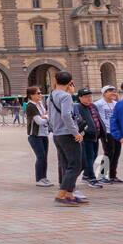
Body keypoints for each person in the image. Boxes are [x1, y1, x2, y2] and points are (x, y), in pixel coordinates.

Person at [46, 71, 87, 205]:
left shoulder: (50, 96)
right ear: (70, 82)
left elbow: (50, 116)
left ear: (54, 81)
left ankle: (69, 194)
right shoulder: (66, 96)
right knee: (76, 164)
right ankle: (61, 194)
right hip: (67, 134)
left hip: (57, 134)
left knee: (66, 164)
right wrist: (75, 133)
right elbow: (66, 115)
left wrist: (54, 128)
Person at [74, 87, 105, 188]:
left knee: (93, 156)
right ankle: (91, 177)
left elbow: (97, 119)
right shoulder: (78, 107)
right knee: (88, 157)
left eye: (90, 96)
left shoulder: (93, 106)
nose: (89, 99)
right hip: (86, 137)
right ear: (80, 98)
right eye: (86, 97)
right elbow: (79, 122)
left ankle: (86, 175)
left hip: (96, 136)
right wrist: (86, 130)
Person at [24, 86, 52, 187]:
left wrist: (45, 116)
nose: (40, 95)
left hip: (44, 133)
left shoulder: (40, 104)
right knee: (41, 157)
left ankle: (44, 177)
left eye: (40, 93)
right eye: (38, 93)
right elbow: (39, 121)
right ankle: (39, 178)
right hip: (35, 135)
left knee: (44, 158)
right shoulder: (30, 106)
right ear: (31, 95)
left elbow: (45, 115)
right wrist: (47, 117)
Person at [94, 86, 121, 183]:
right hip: (106, 132)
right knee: (109, 153)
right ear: (104, 93)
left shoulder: (116, 104)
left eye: (114, 92)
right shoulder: (98, 104)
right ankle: (101, 175)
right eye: (110, 92)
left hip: (116, 131)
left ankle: (113, 175)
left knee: (116, 153)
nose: (113, 93)